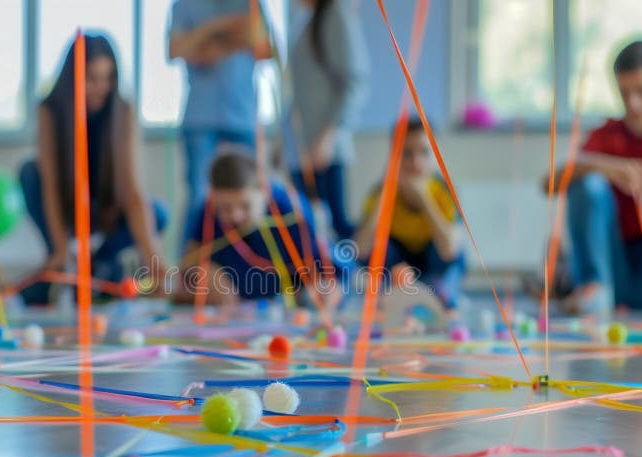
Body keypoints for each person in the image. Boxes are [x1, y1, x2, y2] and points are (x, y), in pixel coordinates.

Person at [19, 34, 167, 304]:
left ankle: (100, 264)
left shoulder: (122, 111)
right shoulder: (49, 110)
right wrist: (61, 250)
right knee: (30, 173)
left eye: (108, 78)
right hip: (67, 209)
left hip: (105, 212)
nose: (102, 87)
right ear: (72, 78)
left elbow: (133, 191)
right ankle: (64, 264)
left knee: (157, 213)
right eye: (91, 78)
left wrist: (152, 257)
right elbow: (49, 186)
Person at [552, 41, 642, 314]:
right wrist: (606, 167)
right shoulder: (608, 135)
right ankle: (593, 286)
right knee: (586, 182)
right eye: (624, 93)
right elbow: (549, 182)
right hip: (616, 269)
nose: (633, 104)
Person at [168, 0, 272, 245]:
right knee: (199, 198)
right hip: (200, 118)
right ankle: (189, 272)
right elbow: (176, 50)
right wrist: (224, 28)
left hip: (243, 115)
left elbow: (266, 50)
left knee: (252, 200)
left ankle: (253, 262)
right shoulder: (183, 5)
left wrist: (207, 40)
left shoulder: (252, 4)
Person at [179, 146, 337, 306]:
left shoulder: (292, 209)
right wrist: (203, 272)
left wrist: (325, 288)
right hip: (237, 308)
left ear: (264, 190)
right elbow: (187, 263)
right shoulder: (208, 210)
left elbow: (329, 273)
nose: (236, 216)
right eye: (226, 208)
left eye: (246, 206)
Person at [355, 118, 465, 309]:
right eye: (406, 154)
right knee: (381, 247)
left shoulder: (443, 192)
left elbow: (449, 251)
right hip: (400, 266)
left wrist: (424, 199)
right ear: (394, 157)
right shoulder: (379, 193)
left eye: (424, 153)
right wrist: (386, 193)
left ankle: (439, 290)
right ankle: (394, 290)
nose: (415, 163)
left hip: (432, 263)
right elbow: (361, 250)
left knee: (456, 251)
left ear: (434, 156)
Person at [284, 0, 369, 241]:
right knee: (306, 228)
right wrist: (284, 138)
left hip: (325, 149)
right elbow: (301, 90)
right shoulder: (305, 20)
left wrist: (328, 136)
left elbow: (355, 84)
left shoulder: (336, 17)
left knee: (336, 228)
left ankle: (351, 276)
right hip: (301, 148)